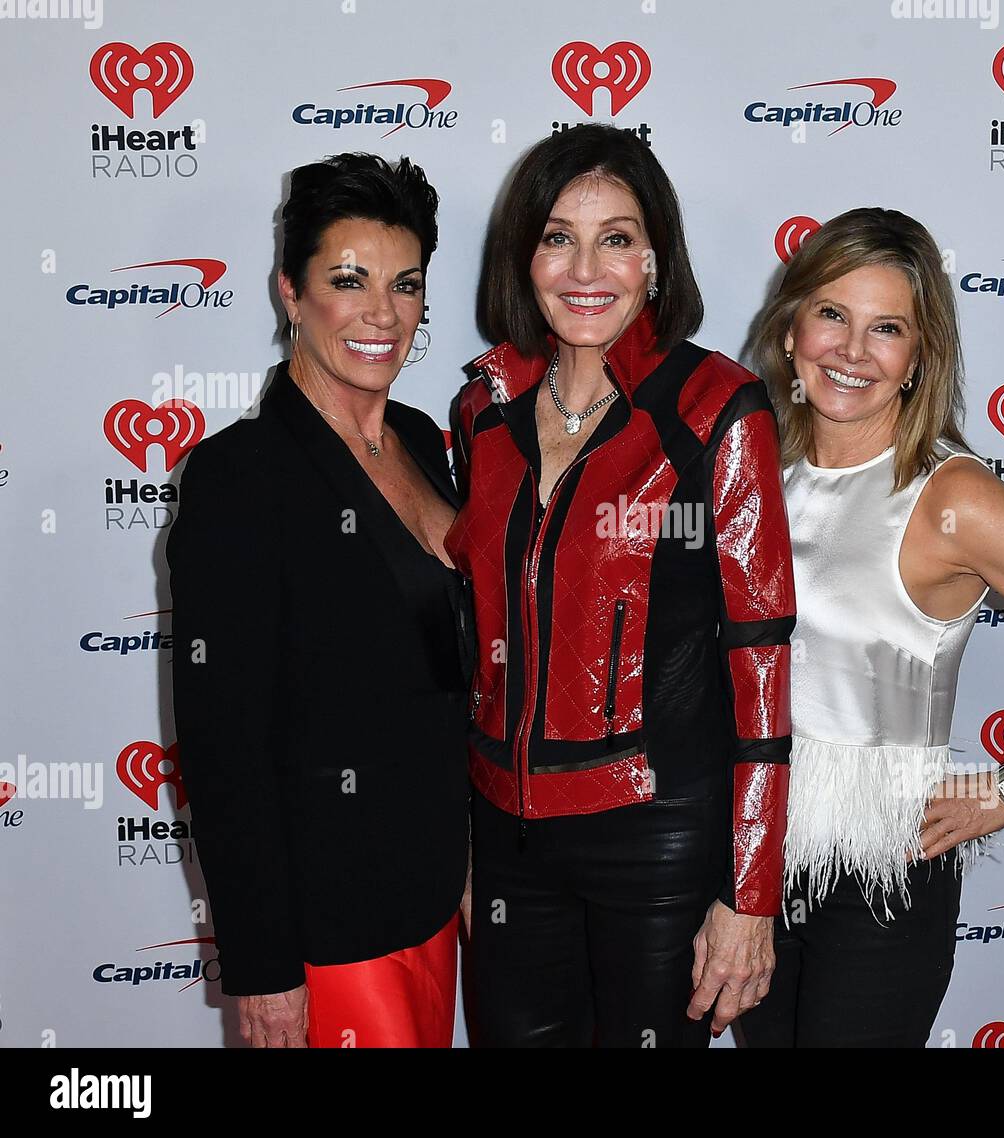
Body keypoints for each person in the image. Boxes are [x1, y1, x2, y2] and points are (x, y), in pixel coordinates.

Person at [735, 207, 1004, 1048]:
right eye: (832, 314)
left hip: (883, 872)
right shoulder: (757, 467)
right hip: (759, 853)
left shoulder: (949, 496)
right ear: (791, 328)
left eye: (887, 328)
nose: (852, 350)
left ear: (918, 357)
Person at [446, 124, 796, 1047]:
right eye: (558, 235)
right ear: (523, 257)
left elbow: (760, 656)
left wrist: (750, 896)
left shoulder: (716, 408)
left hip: (658, 837)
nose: (585, 267)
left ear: (655, 259)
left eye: (618, 237)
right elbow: (475, 640)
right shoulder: (481, 411)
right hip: (508, 836)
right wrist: (471, 848)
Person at [168, 153, 471, 1048]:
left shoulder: (420, 437)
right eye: (349, 280)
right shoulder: (240, 478)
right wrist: (262, 968)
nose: (382, 312)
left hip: (434, 903)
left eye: (405, 284)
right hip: (327, 932)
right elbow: (224, 750)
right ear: (291, 296)